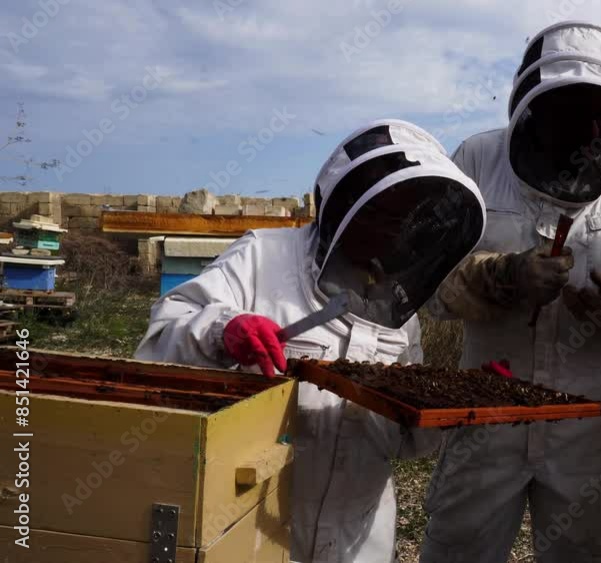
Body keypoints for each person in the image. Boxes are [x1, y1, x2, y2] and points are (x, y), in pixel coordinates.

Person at [134, 119, 487, 563]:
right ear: (343, 207)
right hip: (252, 529)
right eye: (378, 214)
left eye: (401, 220)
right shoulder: (262, 257)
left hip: (360, 541)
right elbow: (160, 343)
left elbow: (401, 443)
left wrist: (450, 410)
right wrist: (224, 330)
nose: (387, 231)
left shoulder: (399, 310)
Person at [420, 21, 601, 563]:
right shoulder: (475, 161)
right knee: (457, 551)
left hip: (591, 427)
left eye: (595, 113)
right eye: (568, 110)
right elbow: (424, 280)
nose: (582, 128)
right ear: (532, 106)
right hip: (485, 414)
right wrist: (503, 276)